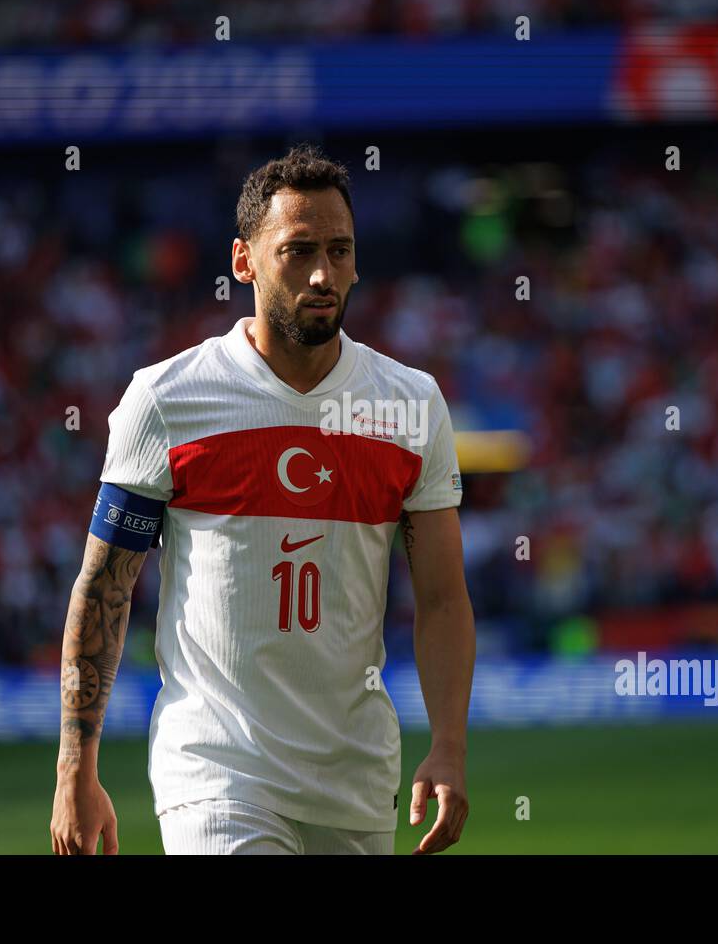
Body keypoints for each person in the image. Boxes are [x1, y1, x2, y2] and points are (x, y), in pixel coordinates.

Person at [49, 143, 475, 855]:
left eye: (339, 251)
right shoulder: (168, 399)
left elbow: (442, 599)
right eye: (298, 251)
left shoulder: (410, 404)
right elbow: (104, 590)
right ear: (244, 261)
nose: (323, 273)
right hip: (216, 771)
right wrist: (75, 769)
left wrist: (450, 746)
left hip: (356, 779)